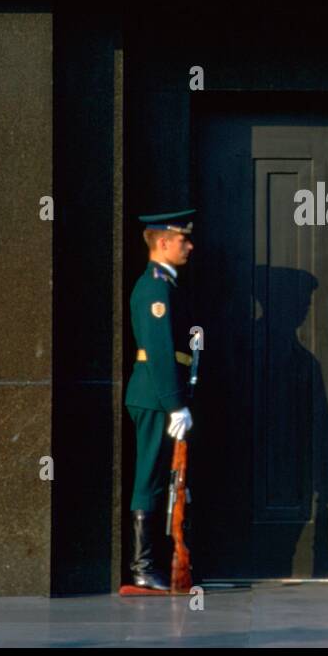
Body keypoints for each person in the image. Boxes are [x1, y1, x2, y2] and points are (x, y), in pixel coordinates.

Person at [124, 209, 197, 592]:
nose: (189, 244)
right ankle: (143, 565)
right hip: (156, 396)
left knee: (163, 478)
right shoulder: (155, 288)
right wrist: (175, 405)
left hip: (161, 394)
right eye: (182, 239)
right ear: (163, 242)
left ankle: (153, 562)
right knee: (150, 476)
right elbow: (159, 349)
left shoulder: (166, 285)